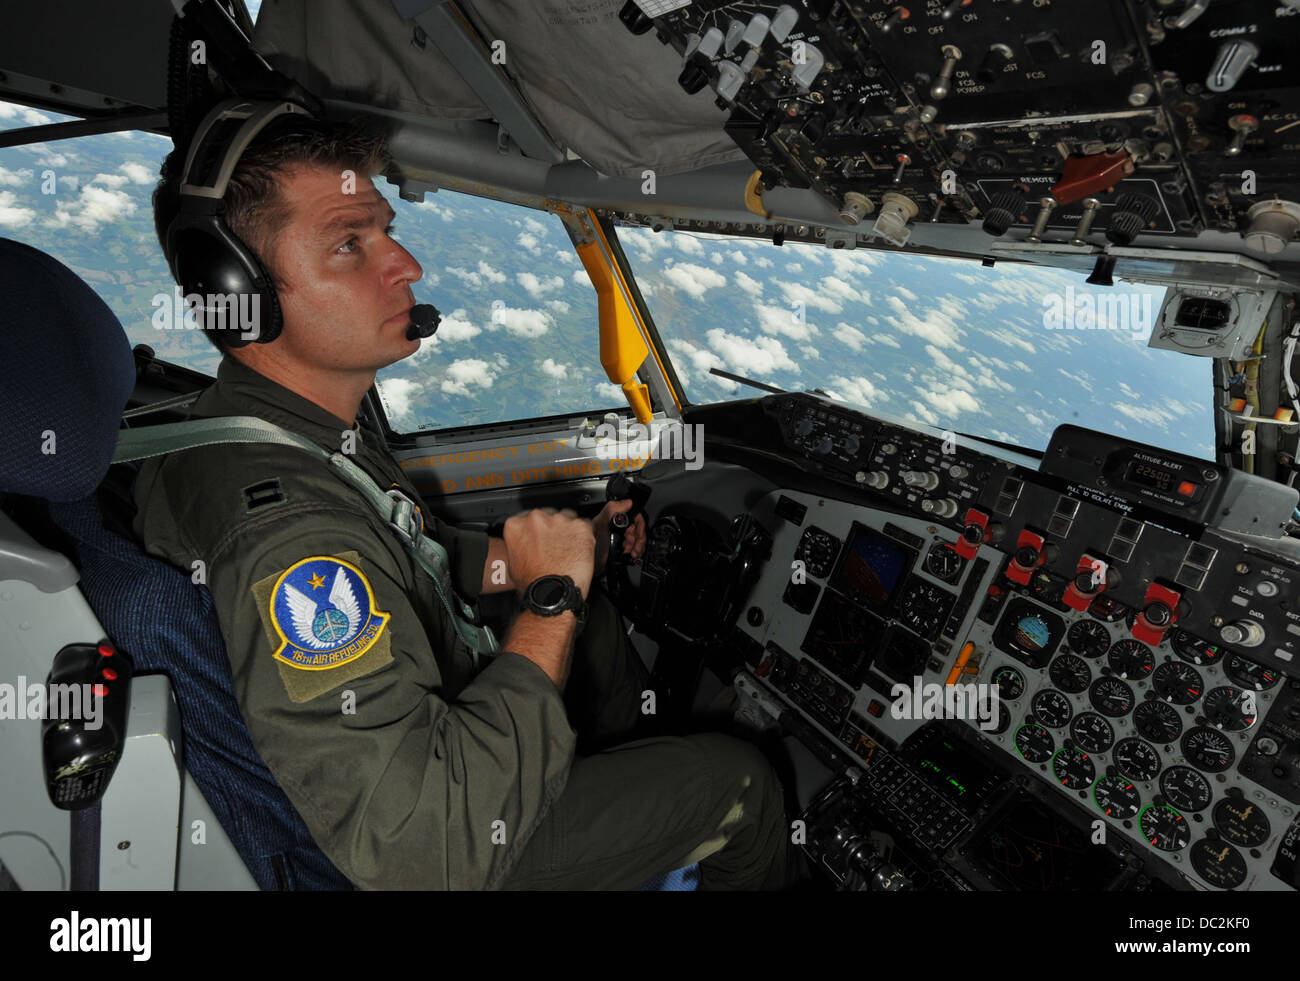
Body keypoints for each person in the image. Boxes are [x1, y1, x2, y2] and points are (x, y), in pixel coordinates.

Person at [134, 114, 791, 890]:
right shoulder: (291, 538)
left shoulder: (278, 432)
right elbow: (426, 848)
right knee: (741, 781)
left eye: (387, 231)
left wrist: (580, 554)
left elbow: (417, 550)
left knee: (600, 617)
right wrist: (549, 599)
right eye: (351, 243)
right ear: (235, 290)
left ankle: (632, 803)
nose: (405, 264)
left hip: (433, 749)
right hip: (459, 836)